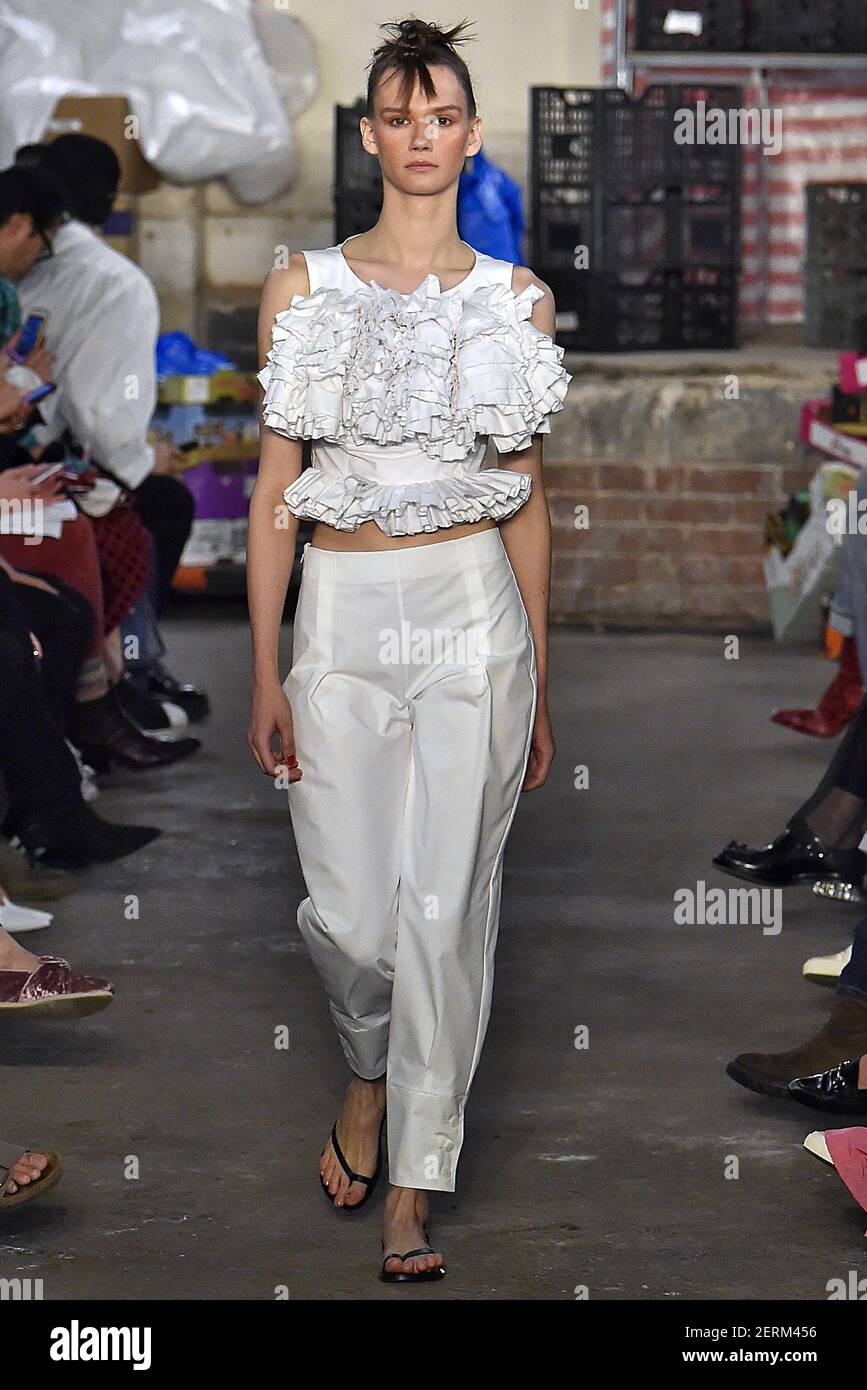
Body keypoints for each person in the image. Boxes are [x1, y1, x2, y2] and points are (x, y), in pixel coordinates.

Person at [247, 17, 570, 1284]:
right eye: (399, 116)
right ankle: (368, 1067)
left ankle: (415, 1186)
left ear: (471, 135)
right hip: (338, 607)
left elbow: (525, 500)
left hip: (472, 615)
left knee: (445, 912)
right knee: (351, 916)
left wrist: (542, 676)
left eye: (442, 117)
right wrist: (264, 665)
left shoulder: (515, 302)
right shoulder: (303, 289)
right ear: (370, 136)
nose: (422, 137)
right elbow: (275, 490)